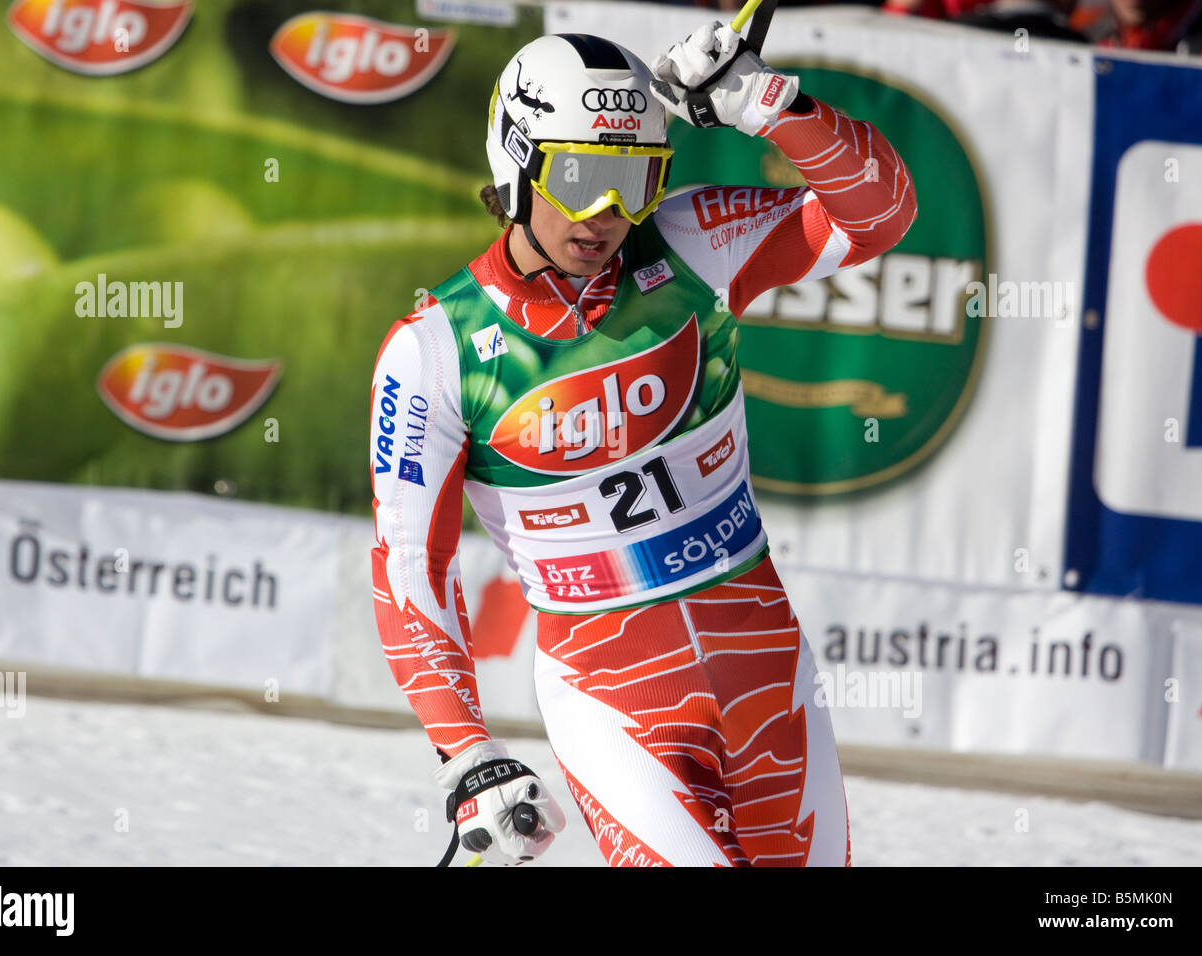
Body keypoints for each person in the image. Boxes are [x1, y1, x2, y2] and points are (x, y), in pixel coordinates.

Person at [369, 22, 916, 866]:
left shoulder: (692, 244)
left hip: (766, 663)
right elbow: (412, 566)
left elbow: (880, 216)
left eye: (634, 181)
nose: (605, 214)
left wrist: (778, 109)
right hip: (610, 697)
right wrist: (466, 752)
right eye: (579, 177)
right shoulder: (434, 348)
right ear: (515, 161)